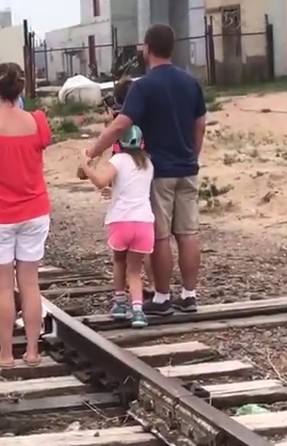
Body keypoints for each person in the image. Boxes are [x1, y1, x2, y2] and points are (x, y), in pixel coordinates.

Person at [87, 23, 206, 316]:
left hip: (160, 171)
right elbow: (200, 124)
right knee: (188, 232)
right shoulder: (191, 83)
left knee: (161, 236)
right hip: (188, 168)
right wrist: (192, 154)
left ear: (147, 48)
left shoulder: (144, 86)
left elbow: (120, 124)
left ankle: (163, 297)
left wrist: (92, 152)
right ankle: (189, 294)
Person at [0, 62, 51, 368]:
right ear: (21, 88)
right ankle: (32, 352)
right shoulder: (38, 121)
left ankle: (6, 354)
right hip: (34, 209)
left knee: (3, 286)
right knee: (30, 283)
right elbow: (42, 143)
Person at [79, 125, 154, 328]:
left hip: (121, 220)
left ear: (118, 143)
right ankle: (138, 311)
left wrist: (86, 165)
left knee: (119, 262)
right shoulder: (148, 163)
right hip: (144, 223)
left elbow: (101, 182)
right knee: (135, 271)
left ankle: (120, 303)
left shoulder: (118, 160)